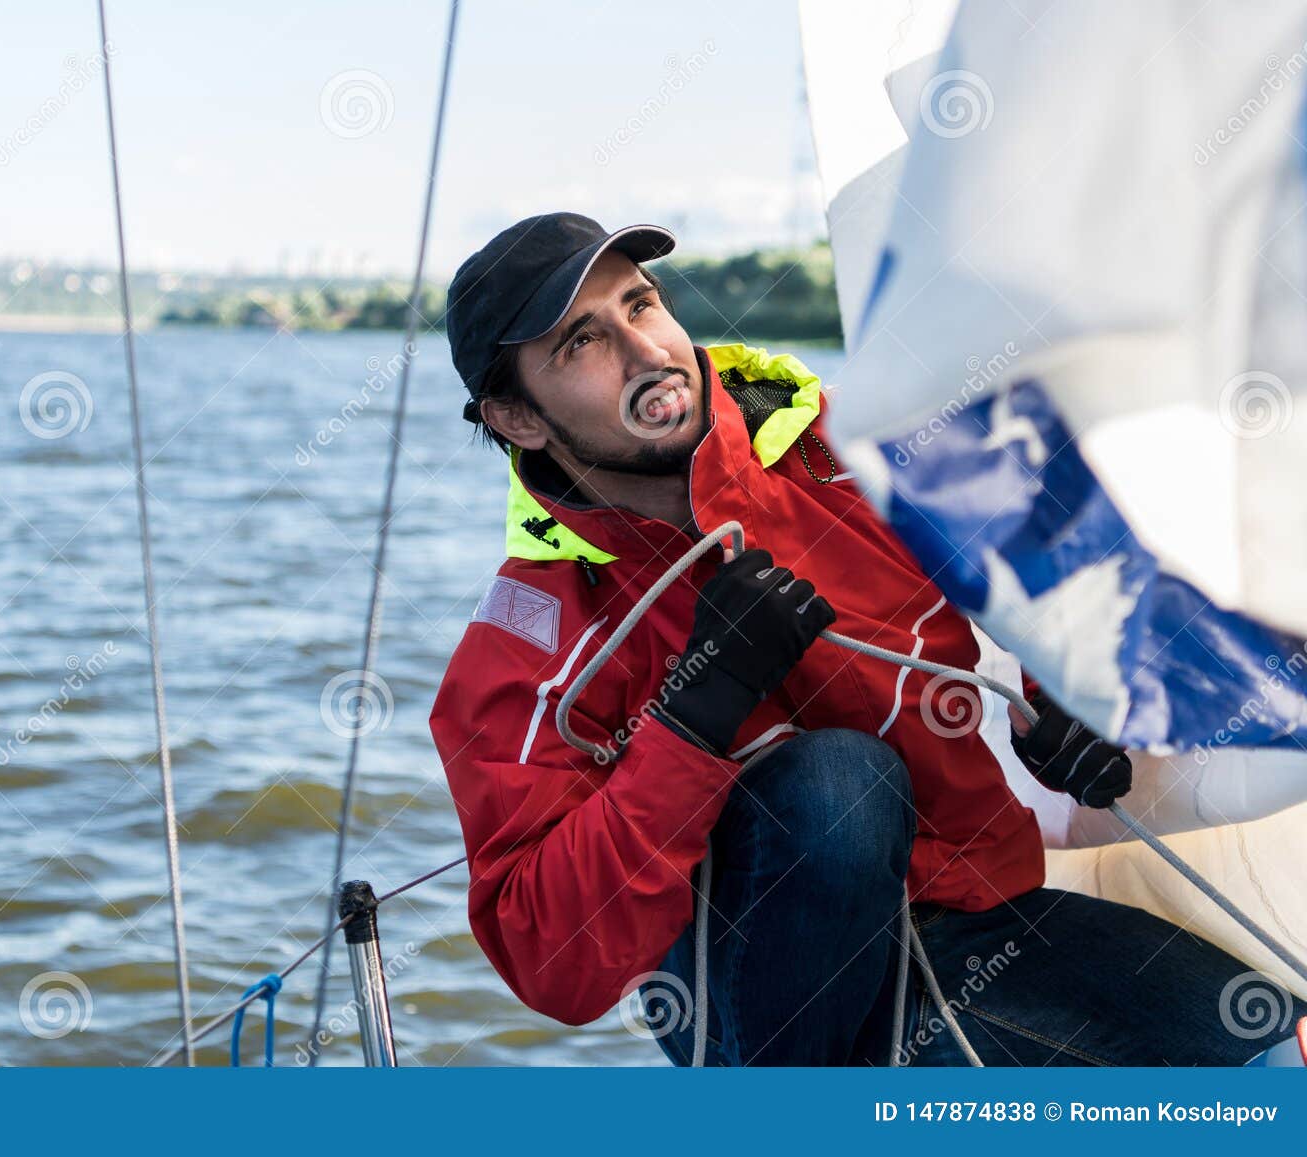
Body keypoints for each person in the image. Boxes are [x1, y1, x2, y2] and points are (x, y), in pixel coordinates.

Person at [428, 212, 1298, 1066]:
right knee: (842, 781)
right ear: (518, 420)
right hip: (756, 1013)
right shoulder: (530, 641)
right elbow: (548, 957)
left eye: (641, 303)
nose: (645, 351)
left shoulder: (860, 450)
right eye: (581, 342)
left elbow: (1070, 565)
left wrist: (1070, 696)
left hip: (973, 924)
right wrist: (691, 720)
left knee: (1275, 1054)